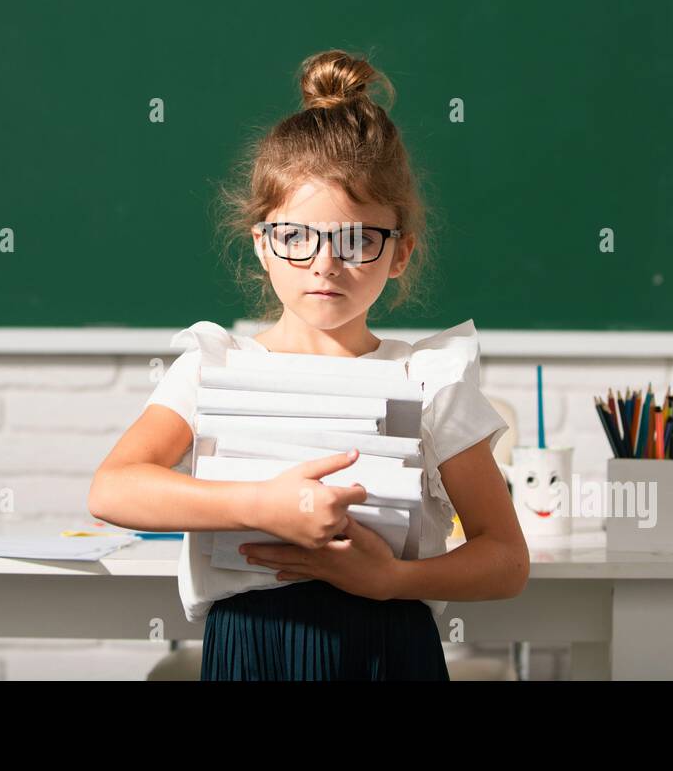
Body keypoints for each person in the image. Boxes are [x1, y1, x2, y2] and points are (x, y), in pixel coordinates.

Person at [88, 48, 529, 680]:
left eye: (356, 240)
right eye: (297, 237)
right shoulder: (217, 365)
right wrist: (262, 506)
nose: (325, 264)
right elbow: (114, 488)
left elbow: (506, 560)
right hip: (253, 650)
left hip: (386, 645)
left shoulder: (430, 380)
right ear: (263, 245)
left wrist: (392, 579)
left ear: (399, 253)